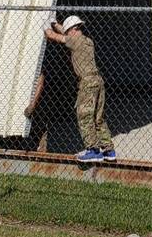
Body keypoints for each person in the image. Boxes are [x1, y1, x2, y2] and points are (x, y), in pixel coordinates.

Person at [44, 14, 115, 163]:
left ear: (73, 30)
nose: (67, 33)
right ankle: (108, 150)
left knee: (84, 115)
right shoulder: (87, 41)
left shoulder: (74, 40)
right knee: (98, 118)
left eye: (68, 30)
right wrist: (55, 23)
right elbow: (64, 32)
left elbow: (53, 36)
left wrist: (45, 25)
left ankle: (93, 150)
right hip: (98, 80)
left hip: (87, 82)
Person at [25, 10, 74, 152]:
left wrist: (49, 24)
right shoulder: (75, 40)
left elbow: (53, 35)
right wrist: (53, 23)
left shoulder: (54, 47)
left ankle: (40, 146)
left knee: (41, 116)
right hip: (50, 83)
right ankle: (38, 145)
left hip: (51, 84)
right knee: (40, 116)